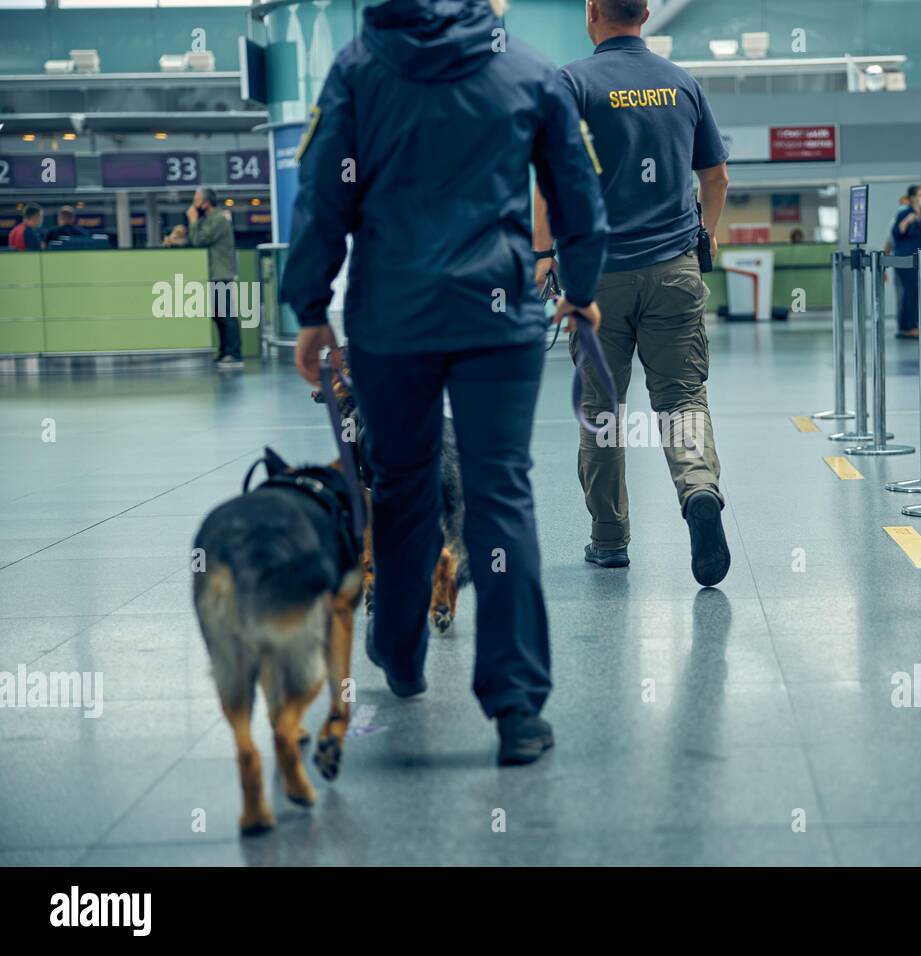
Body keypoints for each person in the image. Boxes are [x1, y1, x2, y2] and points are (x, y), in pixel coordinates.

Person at [281, 0, 608, 766]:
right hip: (497, 317)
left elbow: (323, 191)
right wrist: (582, 283)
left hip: (392, 319)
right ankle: (518, 708)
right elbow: (578, 193)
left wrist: (309, 308)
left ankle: (398, 651)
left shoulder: (359, 68)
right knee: (501, 491)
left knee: (400, 485)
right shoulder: (528, 69)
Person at [532, 0, 731, 588]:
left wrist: (544, 257)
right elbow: (715, 178)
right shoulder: (682, 84)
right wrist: (704, 236)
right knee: (682, 397)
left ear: (592, 13)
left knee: (601, 415)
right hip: (674, 270)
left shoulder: (572, 84)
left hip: (597, 282)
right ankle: (698, 490)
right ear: (645, 15)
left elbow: (551, 181)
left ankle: (609, 540)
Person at [183, 187, 241, 370]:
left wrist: (192, 220)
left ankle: (234, 354)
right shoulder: (208, 219)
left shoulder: (218, 219)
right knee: (218, 314)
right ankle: (225, 352)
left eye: (197, 199)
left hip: (221, 273)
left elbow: (199, 240)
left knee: (226, 314)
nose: (194, 203)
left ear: (206, 202)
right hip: (213, 273)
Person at [889, 185, 921, 339]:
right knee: (908, 293)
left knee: (916, 293)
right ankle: (905, 327)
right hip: (904, 259)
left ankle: (914, 324)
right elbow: (896, 233)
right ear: (913, 197)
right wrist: (908, 221)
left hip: (919, 260)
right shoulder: (903, 214)